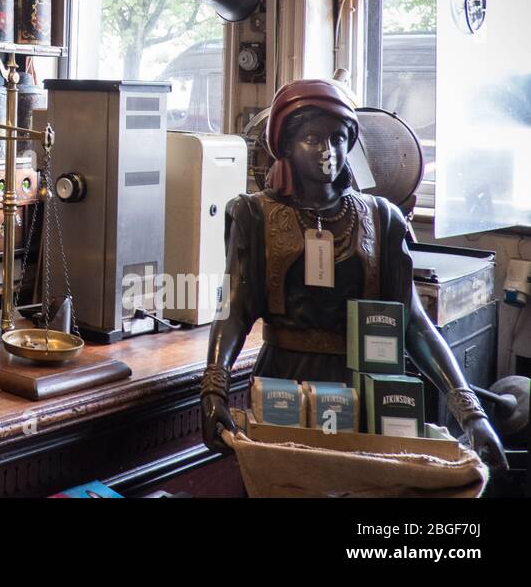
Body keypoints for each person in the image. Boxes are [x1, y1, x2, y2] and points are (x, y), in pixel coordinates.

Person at [200, 78, 506, 472]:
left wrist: (470, 411)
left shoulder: (382, 219)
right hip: (283, 386)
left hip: (363, 389)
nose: (328, 151)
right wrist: (214, 389)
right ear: (285, 144)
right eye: (312, 138)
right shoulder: (254, 215)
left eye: (338, 138)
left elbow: (414, 324)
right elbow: (235, 310)